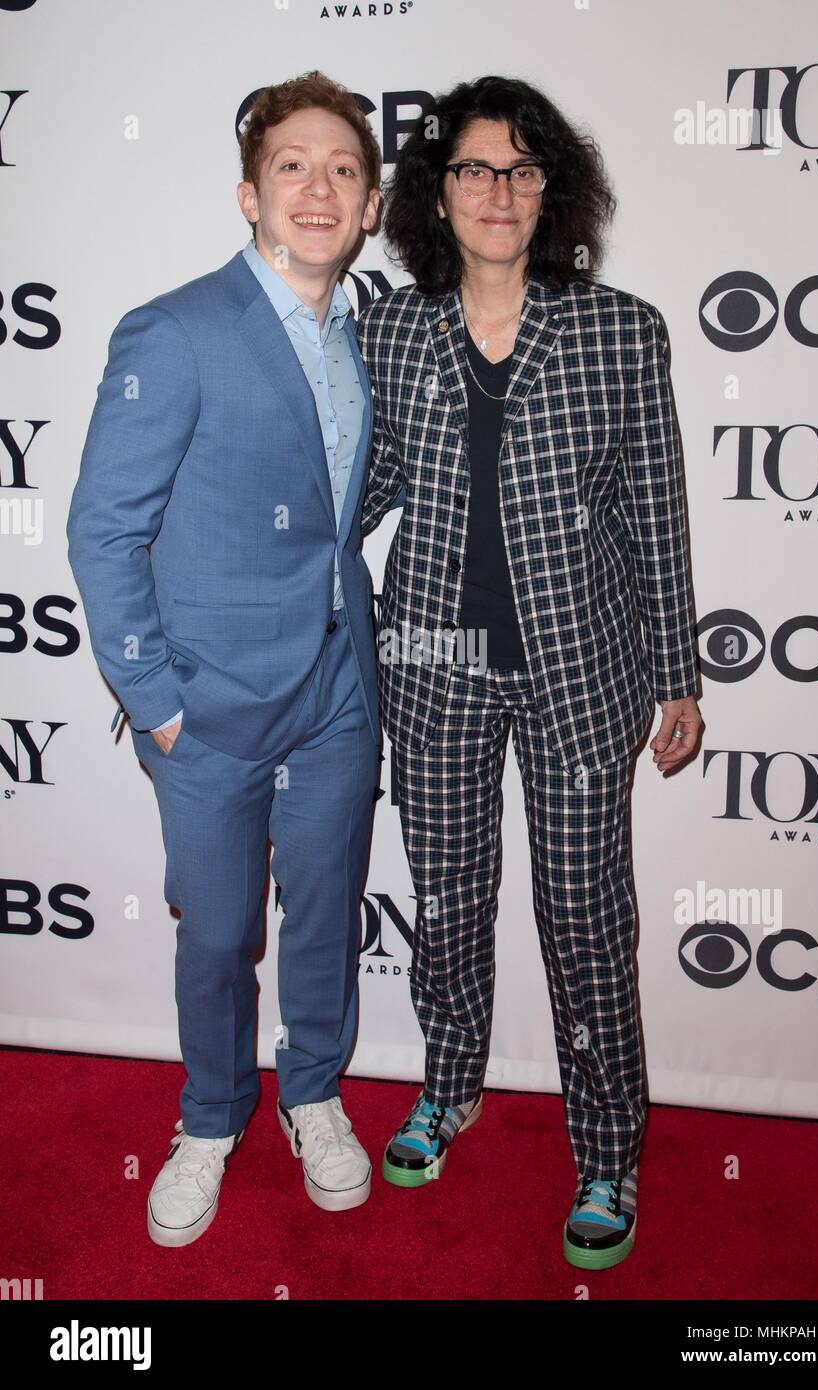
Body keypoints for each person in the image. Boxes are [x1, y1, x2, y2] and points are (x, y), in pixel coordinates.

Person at [357, 75, 703, 1269]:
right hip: (435, 663)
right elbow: (372, 481)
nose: (495, 191)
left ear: (549, 190)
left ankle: (606, 1146)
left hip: (578, 671)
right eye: (470, 169)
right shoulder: (388, 329)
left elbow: (654, 514)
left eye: (518, 170)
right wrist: (273, 552)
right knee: (445, 896)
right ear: (434, 194)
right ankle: (447, 1086)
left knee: (581, 916)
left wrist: (678, 674)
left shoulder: (622, 330)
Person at [67, 72, 383, 1246]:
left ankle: (312, 1093)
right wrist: (154, 703)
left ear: (368, 207)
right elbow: (105, 529)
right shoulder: (176, 328)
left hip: (339, 693)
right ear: (247, 195)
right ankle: (210, 1116)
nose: (318, 186)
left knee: (320, 916)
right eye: (293, 165)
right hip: (205, 706)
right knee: (214, 932)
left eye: (342, 171)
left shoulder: (358, 337)